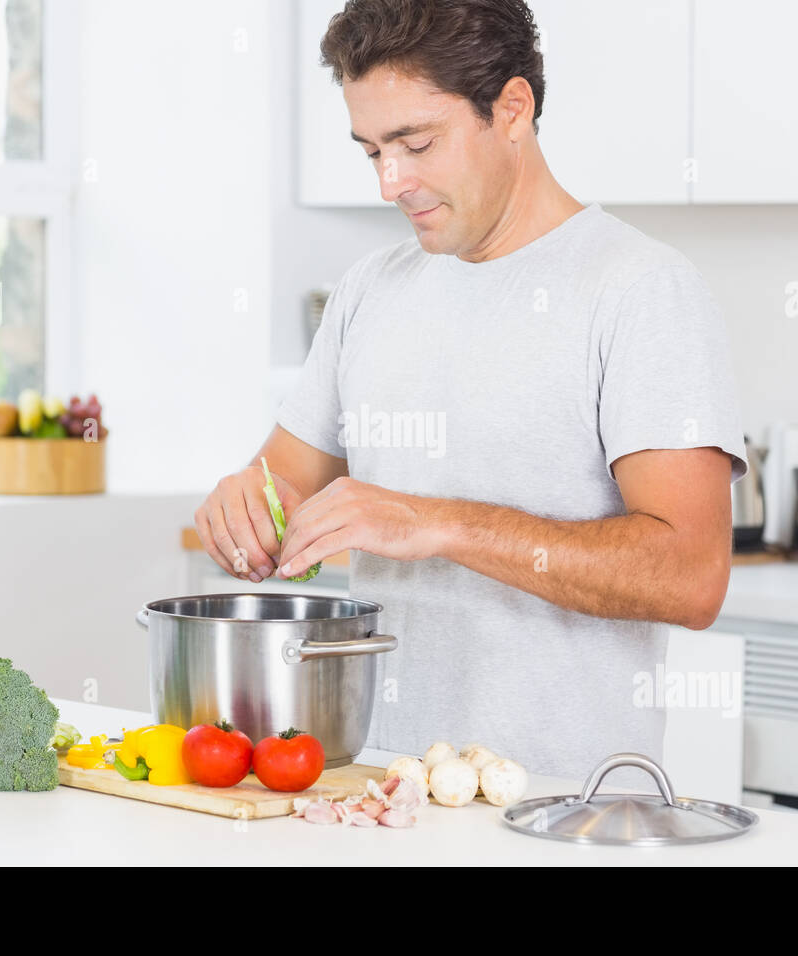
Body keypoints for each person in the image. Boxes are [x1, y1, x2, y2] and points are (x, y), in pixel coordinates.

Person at [194, 0, 748, 782]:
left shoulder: (640, 290)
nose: (392, 182)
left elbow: (692, 577)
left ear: (512, 109)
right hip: (377, 788)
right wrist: (243, 505)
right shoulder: (369, 290)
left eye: (416, 144)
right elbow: (281, 480)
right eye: (371, 151)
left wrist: (437, 524)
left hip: (561, 810)